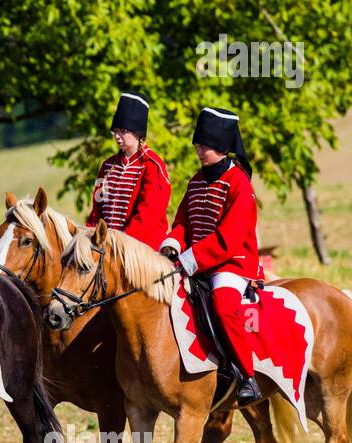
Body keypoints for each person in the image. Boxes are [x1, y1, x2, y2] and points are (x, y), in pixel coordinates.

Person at [159, 107, 263, 406]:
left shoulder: (239, 184)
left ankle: (247, 376)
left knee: (224, 304)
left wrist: (188, 260)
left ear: (221, 146)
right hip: (196, 261)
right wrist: (171, 246)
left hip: (232, 264)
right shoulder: (195, 180)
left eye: (204, 146)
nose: (199, 151)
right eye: (197, 145)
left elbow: (228, 240)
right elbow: (182, 222)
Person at [86, 91, 171, 250]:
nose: (117, 136)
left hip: (142, 250)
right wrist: (89, 234)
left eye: (123, 131)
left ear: (137, 132)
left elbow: (148, 215)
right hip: (108, 248)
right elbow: (97, 209)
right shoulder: (107, 166)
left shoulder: (152, 166)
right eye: (115, 131)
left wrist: (120, 244)